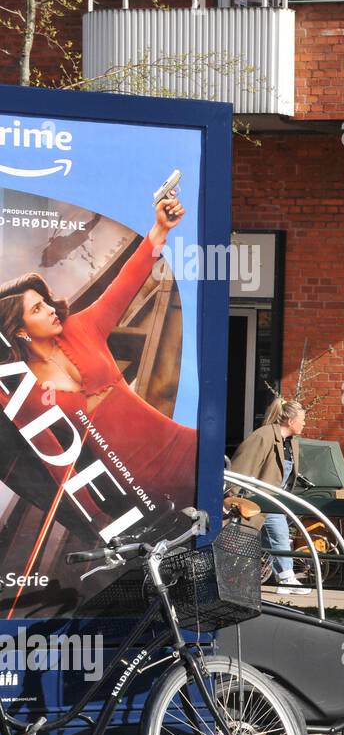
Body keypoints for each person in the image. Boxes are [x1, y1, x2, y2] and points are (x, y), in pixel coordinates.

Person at [0, 191, 196, 510]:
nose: (50, 309)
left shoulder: (83, 327)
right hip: (136, 486)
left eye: (45, 301)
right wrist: (95, 515)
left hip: (180, 446)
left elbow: (126, 282)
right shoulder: (22, 391)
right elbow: (54, 464)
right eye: (38, 308)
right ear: (19, 329)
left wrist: (160, 230)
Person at [229, 398, 309, 595]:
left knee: (263, 541)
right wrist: (231, 496)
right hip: (262, 498)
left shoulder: (292, 444)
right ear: (290, 421)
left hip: (276, 499)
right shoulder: (263, 436)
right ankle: (287, 578)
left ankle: (276, 578)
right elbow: (241, 466)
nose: (304, 423)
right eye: (302, 419)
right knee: (280, 535)